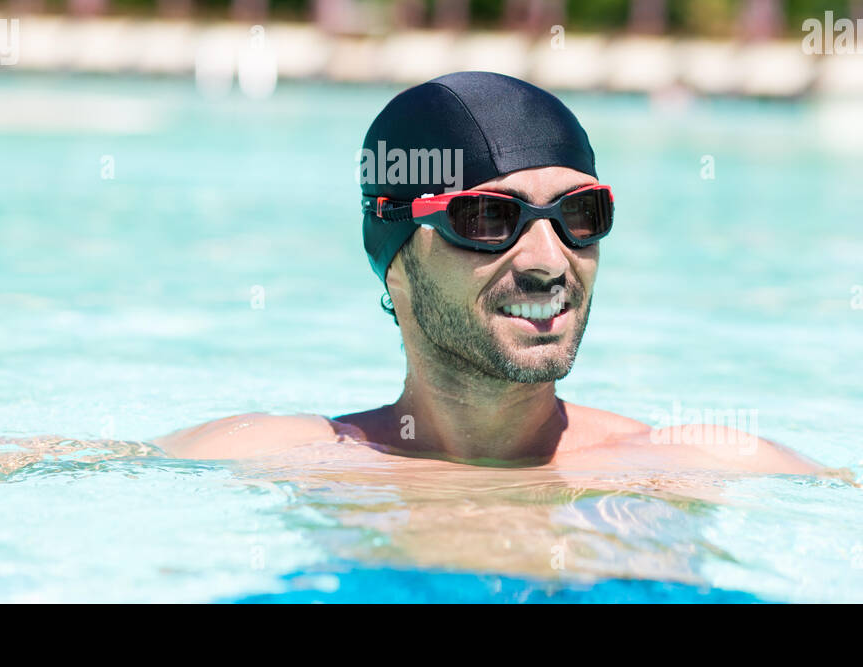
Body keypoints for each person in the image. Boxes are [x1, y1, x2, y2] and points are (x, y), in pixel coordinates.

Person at [157, 71, 827, 476]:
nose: (546, 259)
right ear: (395, 261)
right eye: (486, 218)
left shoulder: (699, 468)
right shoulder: (275, 459)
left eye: (580, 212)